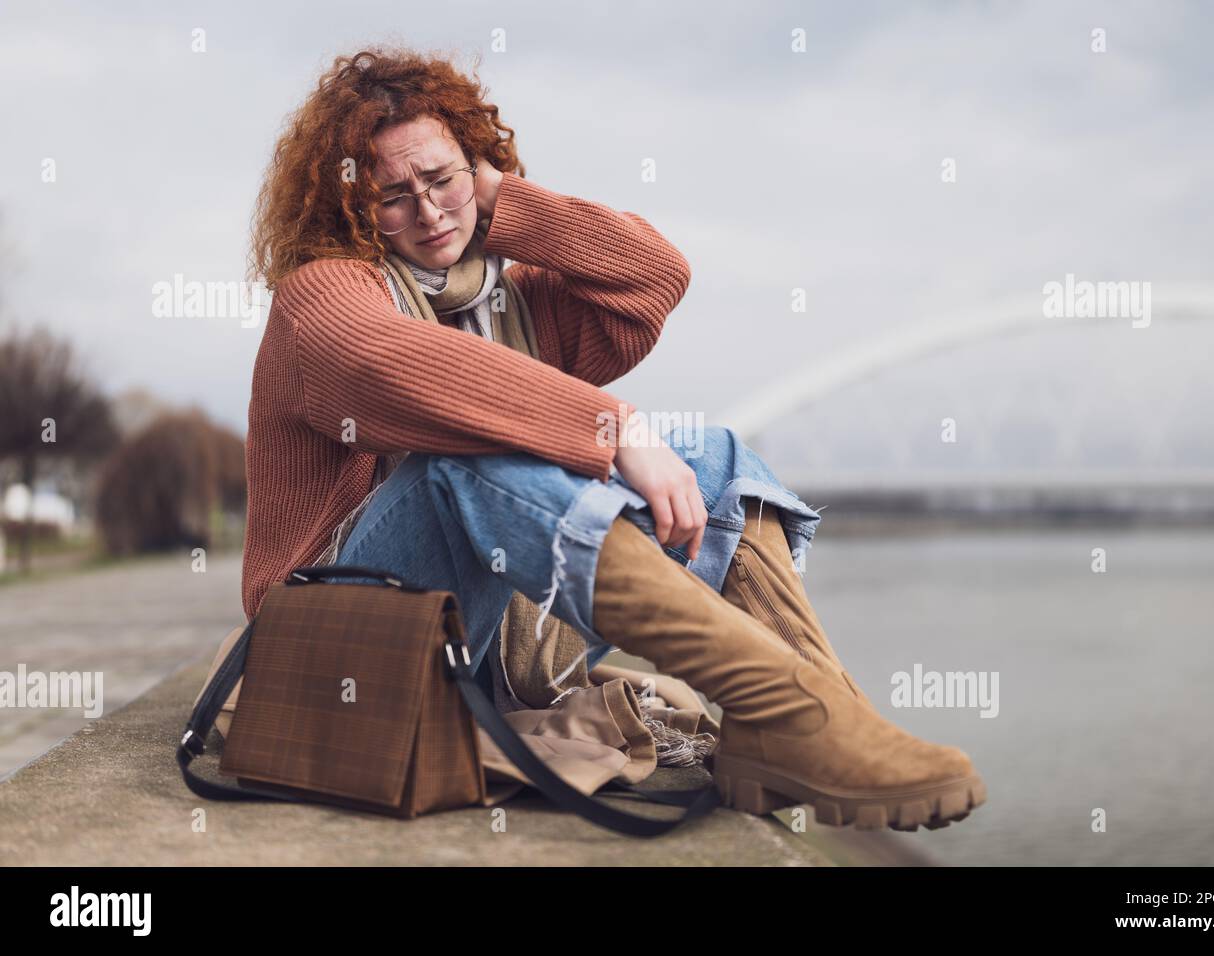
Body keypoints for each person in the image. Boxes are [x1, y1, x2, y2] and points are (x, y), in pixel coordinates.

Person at [243, 46, 985, 831]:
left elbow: (653, 276)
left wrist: (507, 202)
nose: (430, 214)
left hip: (484, 643)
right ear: (351, 207)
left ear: (477, 170)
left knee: (712, 454)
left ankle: (817, 721)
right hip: (336, 649)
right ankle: (790, 708)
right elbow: (396, 369)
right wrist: (616, 425)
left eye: (443, 179)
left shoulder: (514, 295)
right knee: (464, 456)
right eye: (394, 197)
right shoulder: (320, 296)